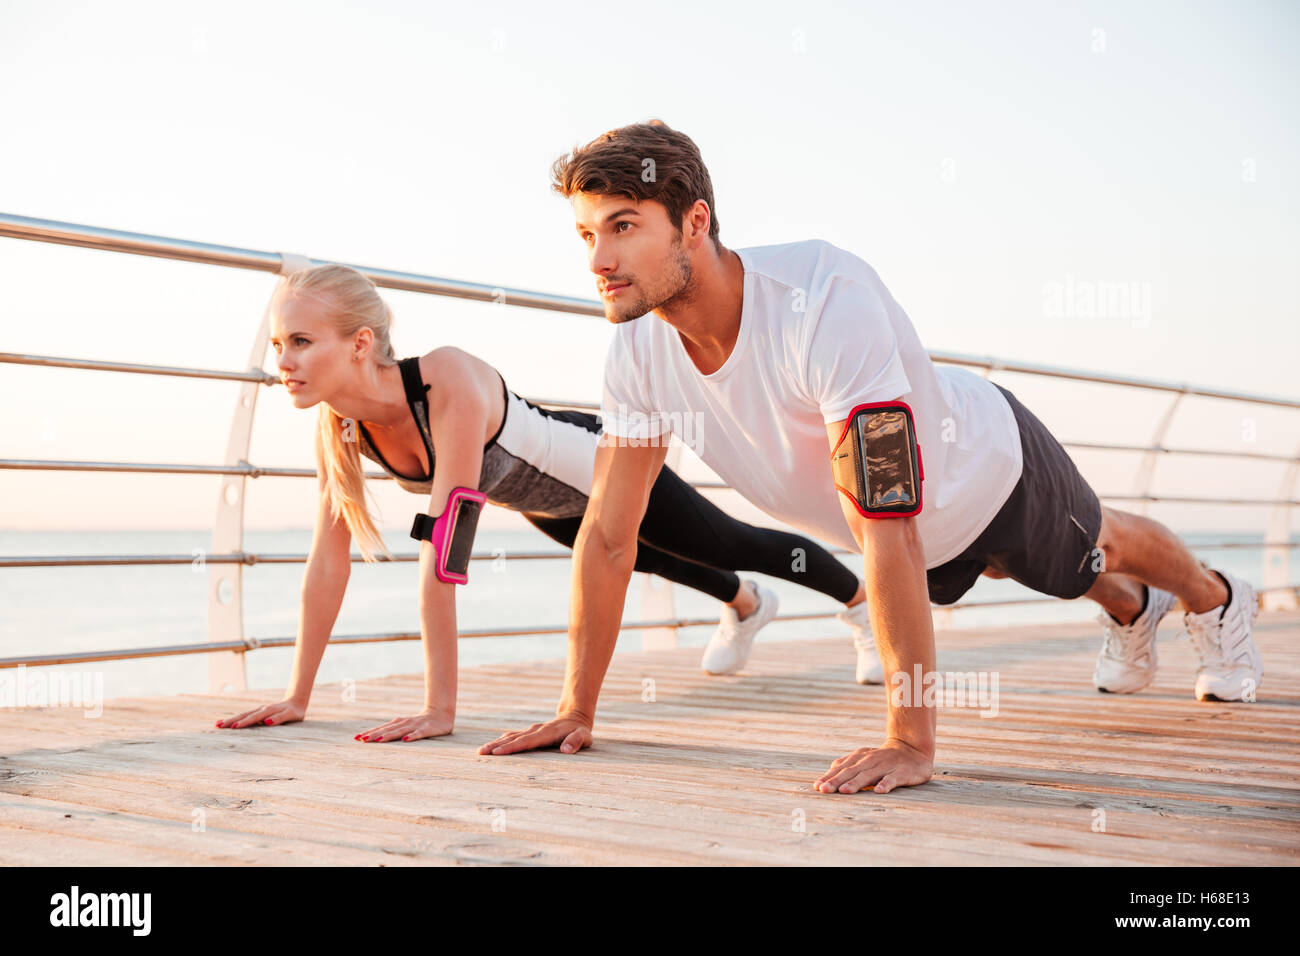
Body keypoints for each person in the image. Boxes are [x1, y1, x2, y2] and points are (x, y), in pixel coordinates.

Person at [478, 120, 1264, 795]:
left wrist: (911, 741)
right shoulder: (638, 354)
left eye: (622, 226)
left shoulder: (822, 299)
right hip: (920, 544)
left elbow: (887, 519)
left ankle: (1215, 597)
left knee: (1094, 546)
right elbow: (612, 534)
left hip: (987, 467)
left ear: (693, 221)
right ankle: (1134, 611)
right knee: (1058, 576)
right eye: (586, 235)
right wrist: (575, 710)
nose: (596, 261)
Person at [216, 264, 879, 742]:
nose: (284, 360)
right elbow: (327, 566)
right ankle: (747, 605)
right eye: (278, 344)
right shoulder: (339, 428)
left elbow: (444, 546)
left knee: (729, 541)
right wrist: (296, 696)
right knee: (652, 562)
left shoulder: (446, 379)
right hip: (547, 506)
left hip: (597, 464)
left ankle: (861, 607)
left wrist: (439, 710)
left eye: (301, 341)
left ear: (360, 343)